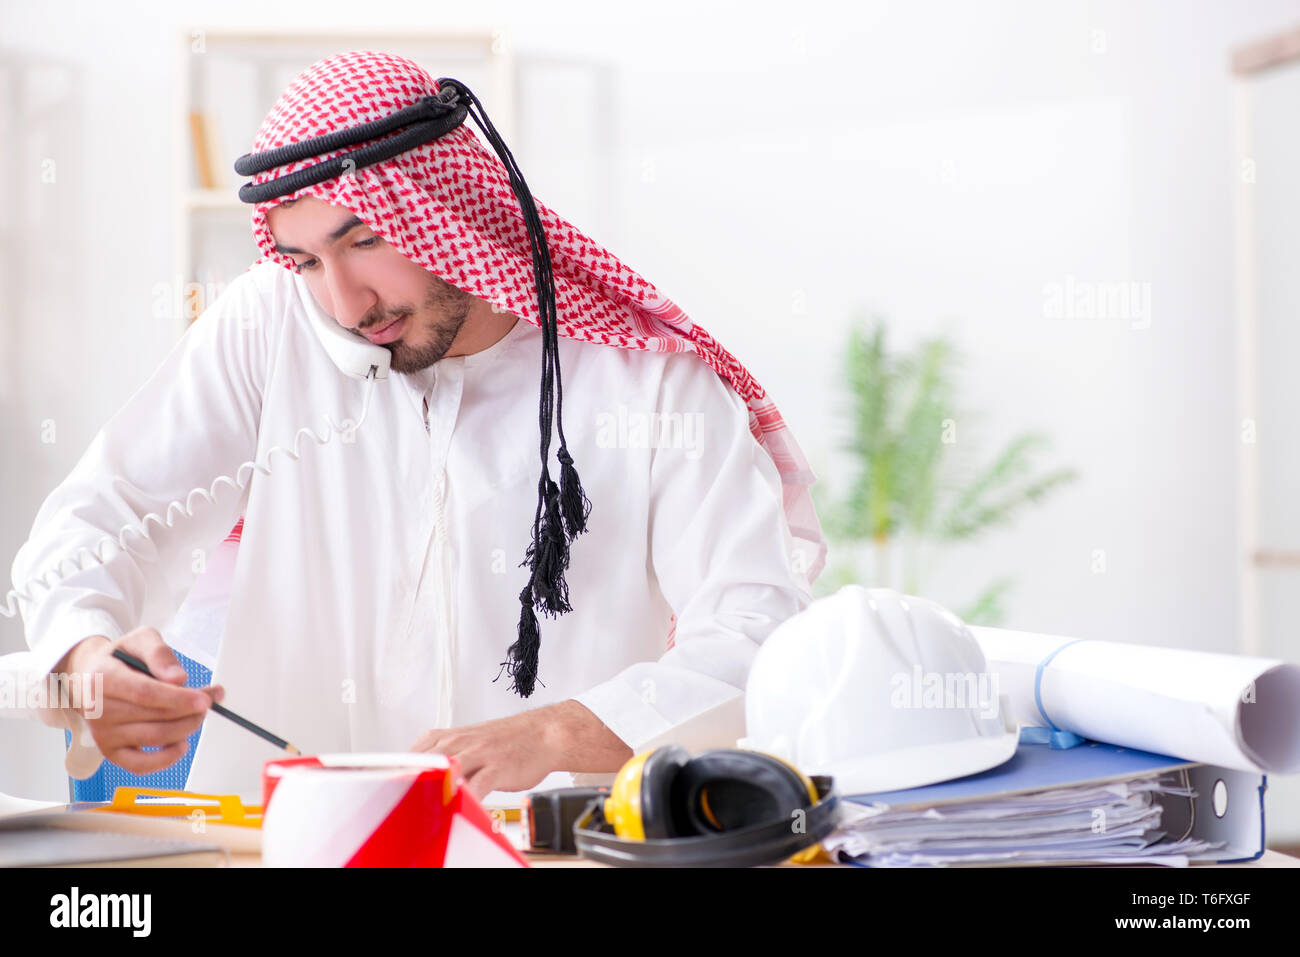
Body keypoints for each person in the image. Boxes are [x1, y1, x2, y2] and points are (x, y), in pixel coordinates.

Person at [5, 51, 827, 803]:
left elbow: (759, 636)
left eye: (363, 241)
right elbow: (97, 518)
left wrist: (556, 731)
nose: (345, 305)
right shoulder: (273, 325)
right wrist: (82, 654)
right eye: (304, 262)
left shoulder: (651, 382)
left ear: (451, 206)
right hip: (284, 839)